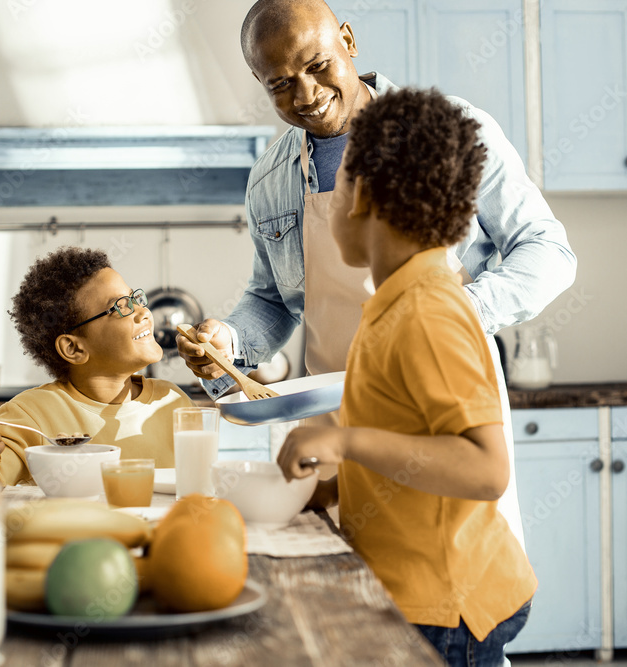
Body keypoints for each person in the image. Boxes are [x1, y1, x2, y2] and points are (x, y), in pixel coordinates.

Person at [176, 0, 576, 547]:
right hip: (333, 425)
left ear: (348, 40)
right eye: (280, 84)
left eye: (317, 66)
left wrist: (456, 314)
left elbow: (546, 247)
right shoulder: (269, 179)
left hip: (435, 405)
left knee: (444, 573)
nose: (306, 96)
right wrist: (229, 340)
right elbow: (271, 299)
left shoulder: (447, 134)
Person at [277, 86, 536, 666]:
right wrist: (330, 484)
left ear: (361, 192)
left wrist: (344, 441)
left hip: (446, 605)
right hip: (417, 590)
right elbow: (404, 435)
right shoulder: (395, 302)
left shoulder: (427, 312)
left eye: (336, 184)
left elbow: (486, 468)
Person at [0, 246, 192, 483]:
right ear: (74, 348)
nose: (143, 312)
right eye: (119, 307)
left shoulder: (173, 401)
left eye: (134, 298)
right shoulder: (31, 414)